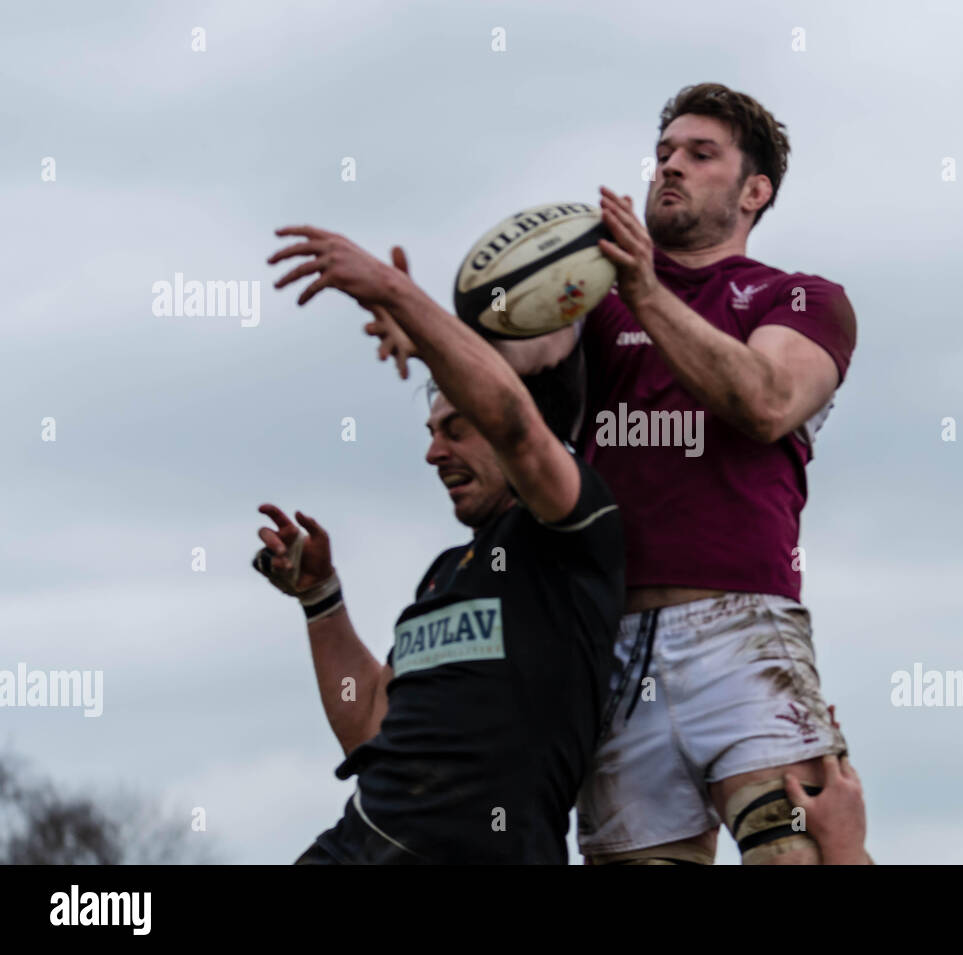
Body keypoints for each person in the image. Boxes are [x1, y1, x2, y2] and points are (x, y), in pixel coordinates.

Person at [363, 82, 867, 865]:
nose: (670, 166)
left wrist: (644, 288)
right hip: (612, 645)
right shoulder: (590, 303)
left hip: (741, 628)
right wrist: (428, 327)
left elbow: (764, 401)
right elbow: (508, 375)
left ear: (754, 190)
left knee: (793, 855)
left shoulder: (799, 298)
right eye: (664, 152)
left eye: (701, 155)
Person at [256, 234, 623, 863]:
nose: (433, 452)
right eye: (431, 432)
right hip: (360, 847)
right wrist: (320, 599)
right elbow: (370, 724)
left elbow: (516, 425)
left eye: (456, 429)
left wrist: (398, 294)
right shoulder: (445, 574)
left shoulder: (570, 528)